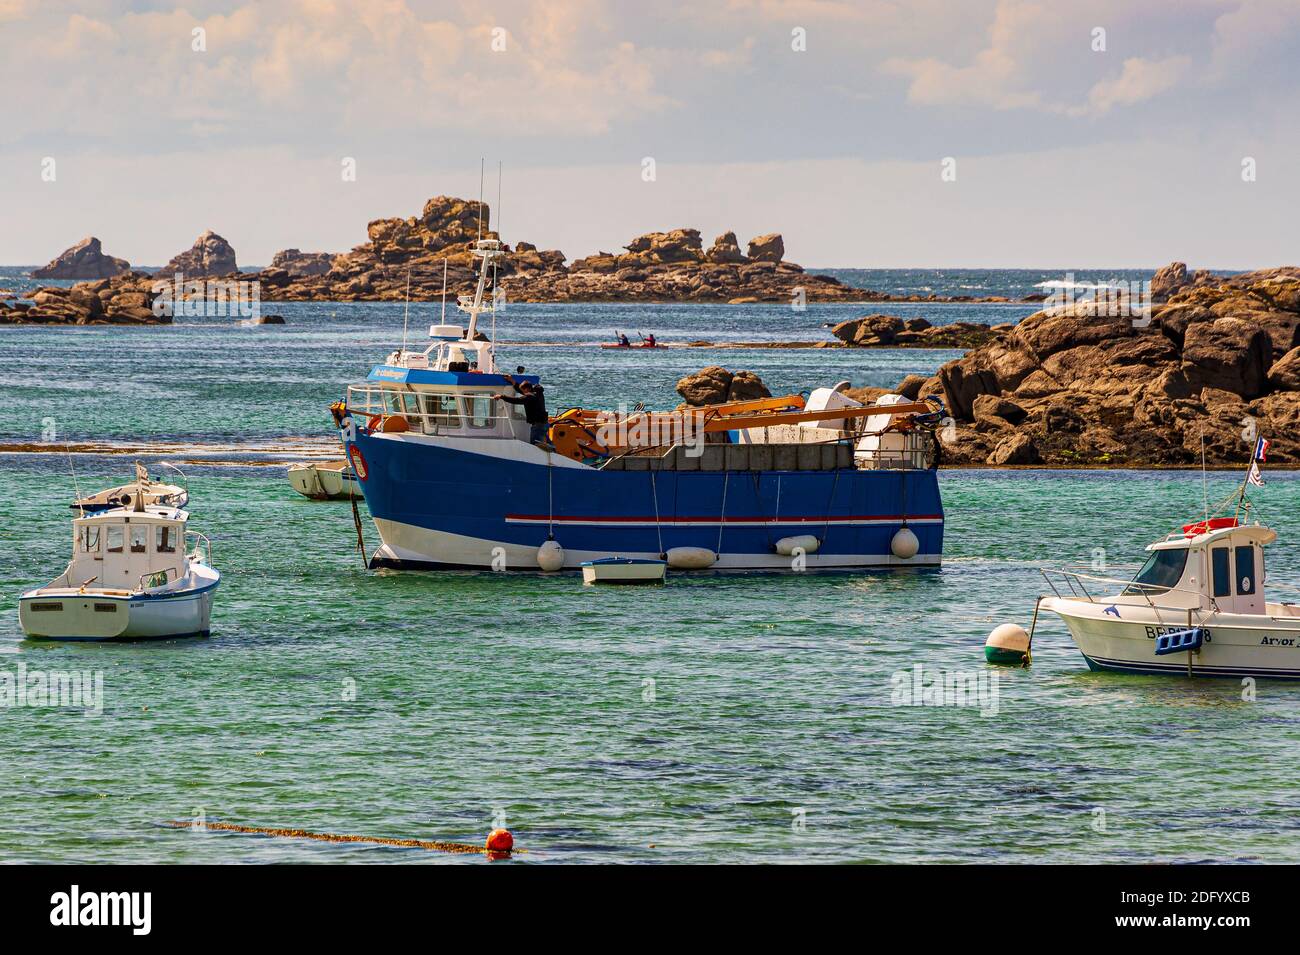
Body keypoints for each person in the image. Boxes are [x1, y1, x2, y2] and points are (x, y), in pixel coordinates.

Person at [493, 374, 549, 445]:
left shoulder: (530, 396)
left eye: (524, 391)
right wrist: (513, 381)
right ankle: (555, 452)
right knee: (547, 443)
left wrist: (501, 396)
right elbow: (522, 391)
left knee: (536, 445)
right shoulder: (537, 392)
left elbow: (517, 400)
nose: (524, 393)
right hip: (544, 423)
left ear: (527, 389)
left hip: (538, 425)